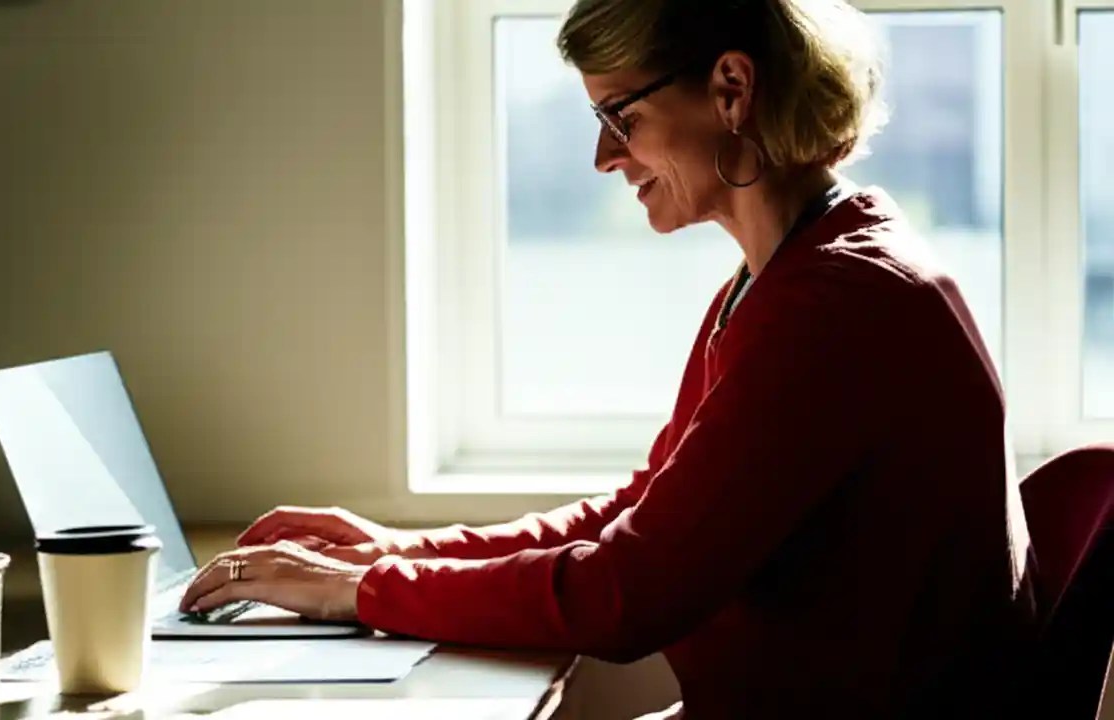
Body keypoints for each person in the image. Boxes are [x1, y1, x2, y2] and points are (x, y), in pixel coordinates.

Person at [181, 0, 1036, 716]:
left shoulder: (832, 305)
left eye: (621, 117)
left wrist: (358, 591)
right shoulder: (791, 273)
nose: (604, 157)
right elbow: (646, 512)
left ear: (731, 88)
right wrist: (397, 553)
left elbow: (628, 593)